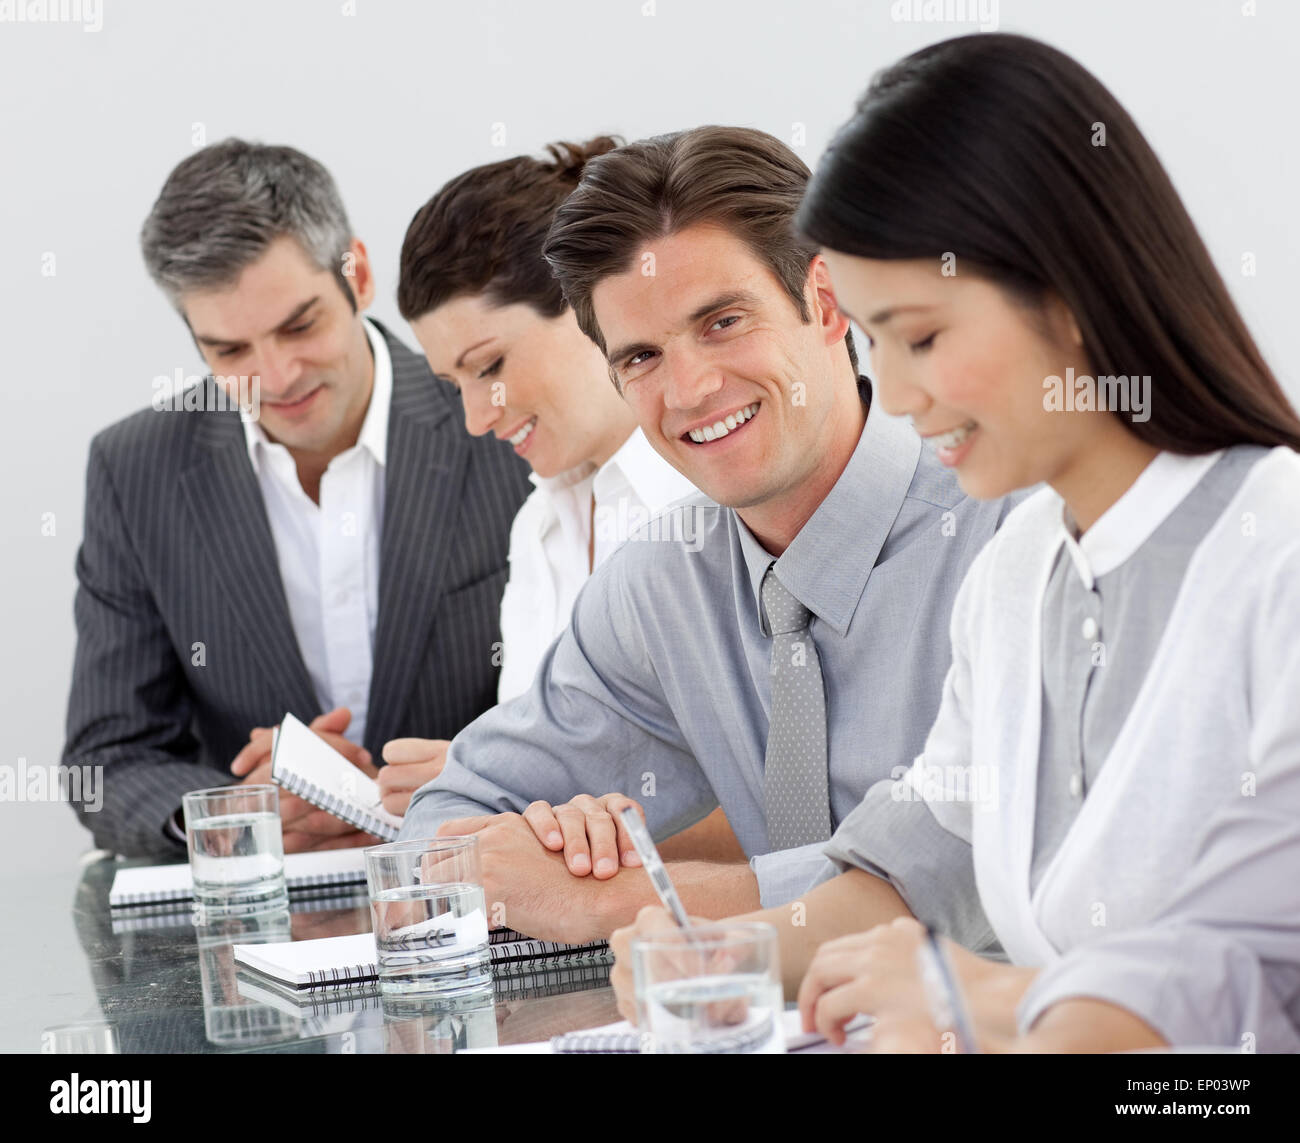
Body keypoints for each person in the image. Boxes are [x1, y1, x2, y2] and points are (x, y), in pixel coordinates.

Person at [611, 33, 1300, 1053]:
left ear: (1069, 296)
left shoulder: (1274, 551)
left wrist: (988, 1002)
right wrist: (724, 954)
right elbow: (927, 853)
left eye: (923, 336)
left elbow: (1226, 982)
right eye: (875, 341)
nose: (897, 395)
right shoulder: (1020, 570)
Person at [398, 125, 1022, 943]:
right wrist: (557, 850)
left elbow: (972, 856)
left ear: (825, 303)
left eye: (724, 321)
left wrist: (625, 899)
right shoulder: (660, 588)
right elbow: (440, 824)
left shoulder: (1008, 527)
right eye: (642, 356)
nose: (688, 388)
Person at [63, 140, 532, 858]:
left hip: (486, 887)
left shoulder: (502, 421)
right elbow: (106, 756)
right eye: (229, 351)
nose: (275, 376)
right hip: (264, 918)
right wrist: (233, 815)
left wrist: (465, 778)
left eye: (300, 324)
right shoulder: (135, 470)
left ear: (359, 274)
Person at [377, 137, 734, 861]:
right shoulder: (539, 522)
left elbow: (787, 804)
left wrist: (539, 819)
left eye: (490, 367)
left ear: (587, 307)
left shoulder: (726, 494)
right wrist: (486, 781)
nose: (478, 417)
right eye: (456, 386)